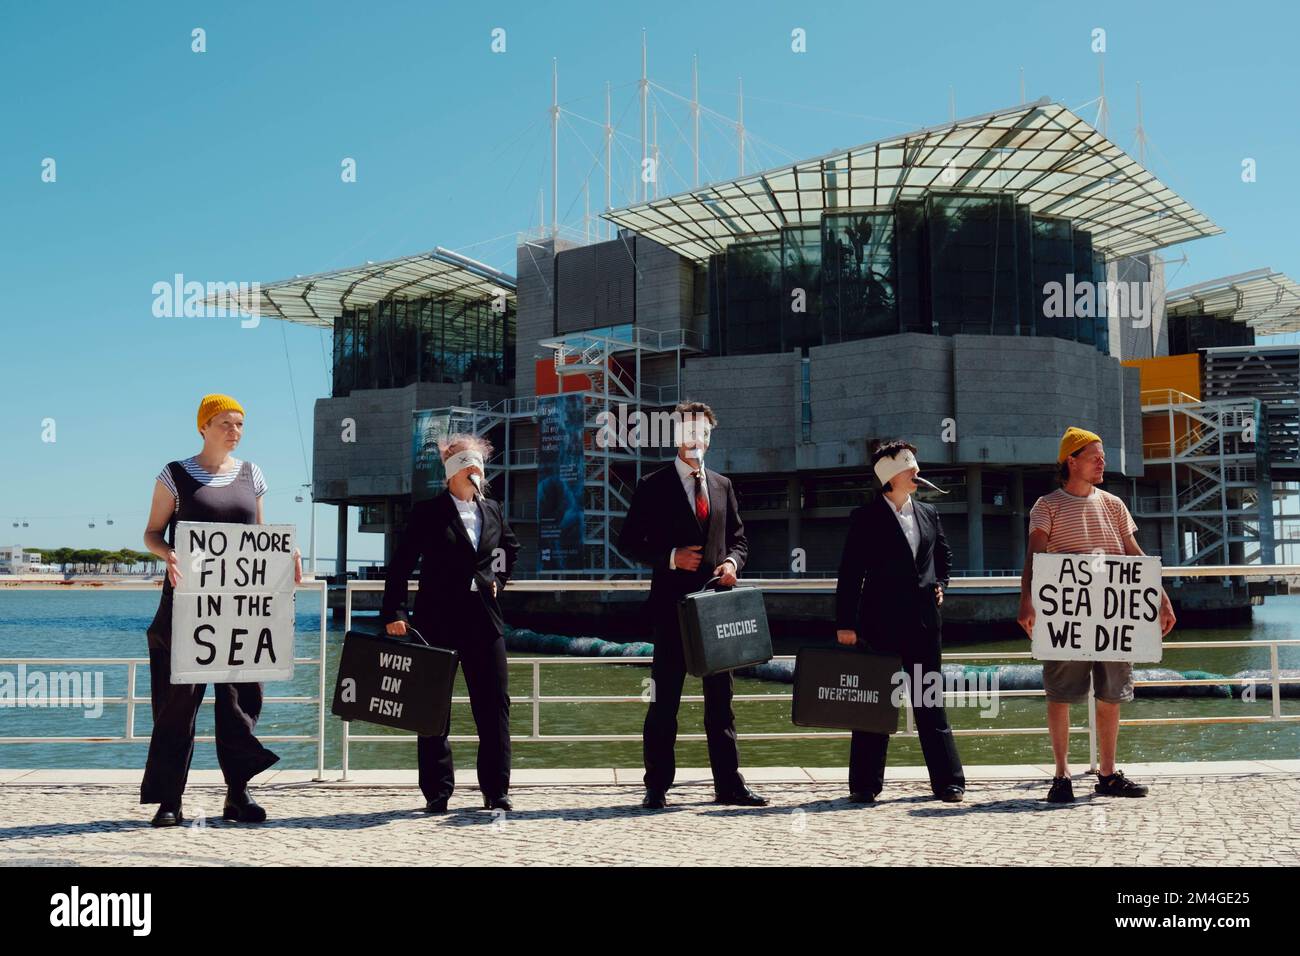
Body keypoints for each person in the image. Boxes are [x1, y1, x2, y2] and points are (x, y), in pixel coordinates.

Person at [141, 394, 302, 828]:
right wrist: (169, 554)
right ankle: (169, 799)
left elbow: (260, 535)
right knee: (179, 702)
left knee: (240, 702)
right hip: (187, 604)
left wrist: (288, 554)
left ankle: (238, 794)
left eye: (240, 424)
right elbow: (152, 533)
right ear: (204, 427)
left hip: (243, 609)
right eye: (226, 423)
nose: (236, 431)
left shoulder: (253, 474)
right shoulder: (174, 474)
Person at [617, 401, 766, 810]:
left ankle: (729, 786)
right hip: (671, 611)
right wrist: (670, 556)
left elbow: (739, 538)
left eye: (703, 432)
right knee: (664, 703)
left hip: (717, 611)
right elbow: (627, 541)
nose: (696, 439)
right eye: (688, 431)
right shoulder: (652, 484)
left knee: (722, 704)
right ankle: (657, 787)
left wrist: (733, 562)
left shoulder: (722, 485)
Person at [1017, 426, 1177, 803]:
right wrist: (1026, 599)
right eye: (1095, 456)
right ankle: (1062, 775)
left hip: (1114, 614)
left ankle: (1107, 773)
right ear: (1071, 461)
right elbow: (1034, 558)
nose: (1102, 462)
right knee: (1060, 694)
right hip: (1066, 615)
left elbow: (1133, 555)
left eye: (1102, 456)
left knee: (1111, 694)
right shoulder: (1047, 506)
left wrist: (1162, 597)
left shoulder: (1113, 504)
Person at [381, 434, 521, 813]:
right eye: (467, 464)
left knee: (494, 706)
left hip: (484, 621)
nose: (475, 470)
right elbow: (400, 565)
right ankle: (438, 791)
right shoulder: (429, 512)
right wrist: (394, 612)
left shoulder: (492, 509)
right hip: (436, 621)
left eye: (478, 464)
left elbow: (510, 549)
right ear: (452, 472)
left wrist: (498, 580)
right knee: (432, 708)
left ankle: (496, 790)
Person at [835, 439, 966, 804]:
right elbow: (849, 574)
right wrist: (845, 624)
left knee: (929, 702)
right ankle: (864, 784)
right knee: (874, 703)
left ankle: (948, 782)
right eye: (911, 467)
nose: (917, 472)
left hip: (924, 623)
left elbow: (944, 555)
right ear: (891, 476)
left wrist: (941, 585)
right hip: (878, 624)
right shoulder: (865, 518)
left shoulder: (928, 513)